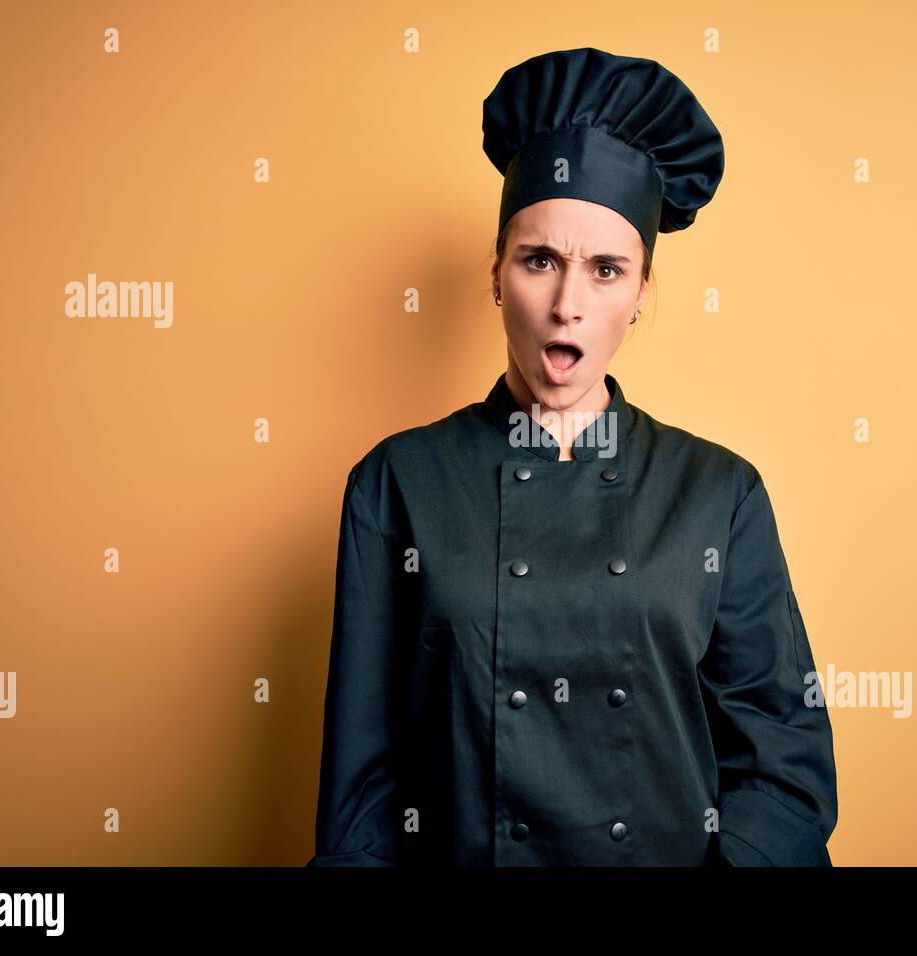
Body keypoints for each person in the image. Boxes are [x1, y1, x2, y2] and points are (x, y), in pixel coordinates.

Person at [309, 46, 837, 866]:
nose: (568, 305)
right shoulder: (396, 483)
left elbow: (784, 767)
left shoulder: (719, 493)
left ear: (642, 295)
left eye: (606, 270)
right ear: (496, 276)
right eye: (540, 261)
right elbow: (361, 790)